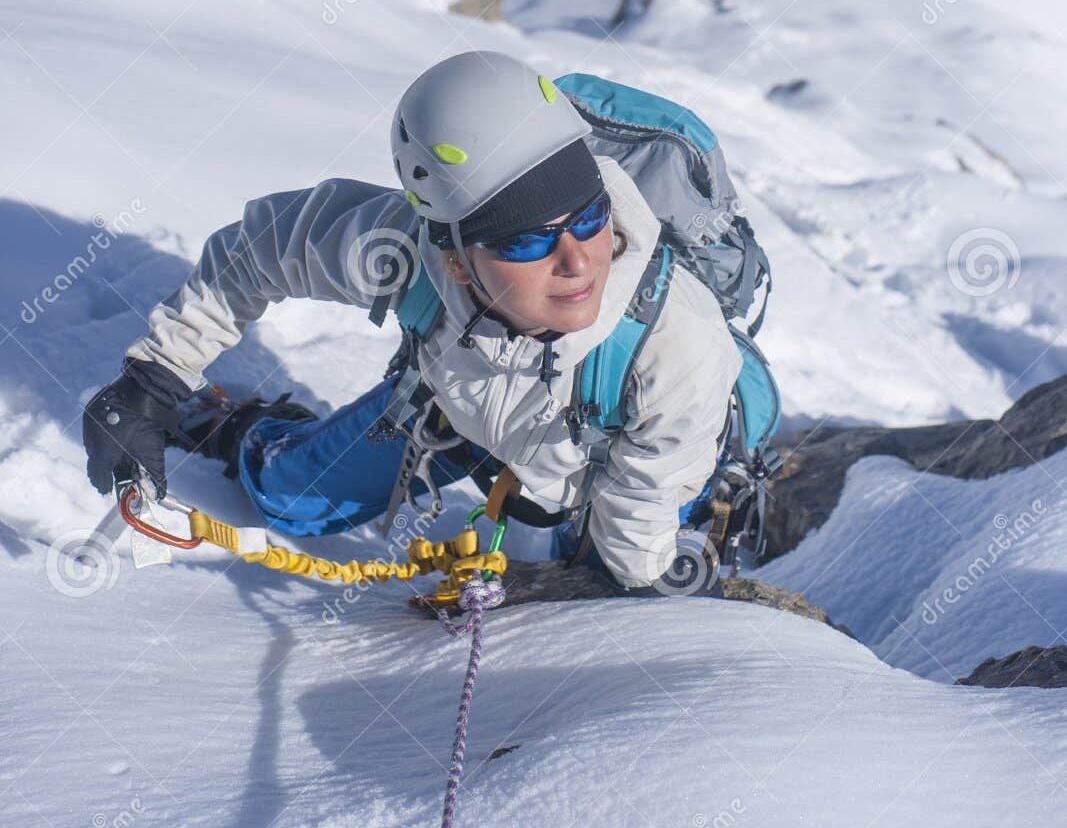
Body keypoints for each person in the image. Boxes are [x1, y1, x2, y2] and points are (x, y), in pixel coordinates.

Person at [83, 52, 742, 594]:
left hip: (614, 443)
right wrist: (155, 378)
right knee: (292, 499)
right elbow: (260, 250)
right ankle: (242, 430)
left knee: (591, 547)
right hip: (458, 399)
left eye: (590, 216)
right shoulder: (404, 256)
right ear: (454, 260)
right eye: (525, 241)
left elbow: (638, 530)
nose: (577, 261)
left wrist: (607, 575)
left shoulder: (677, 343)